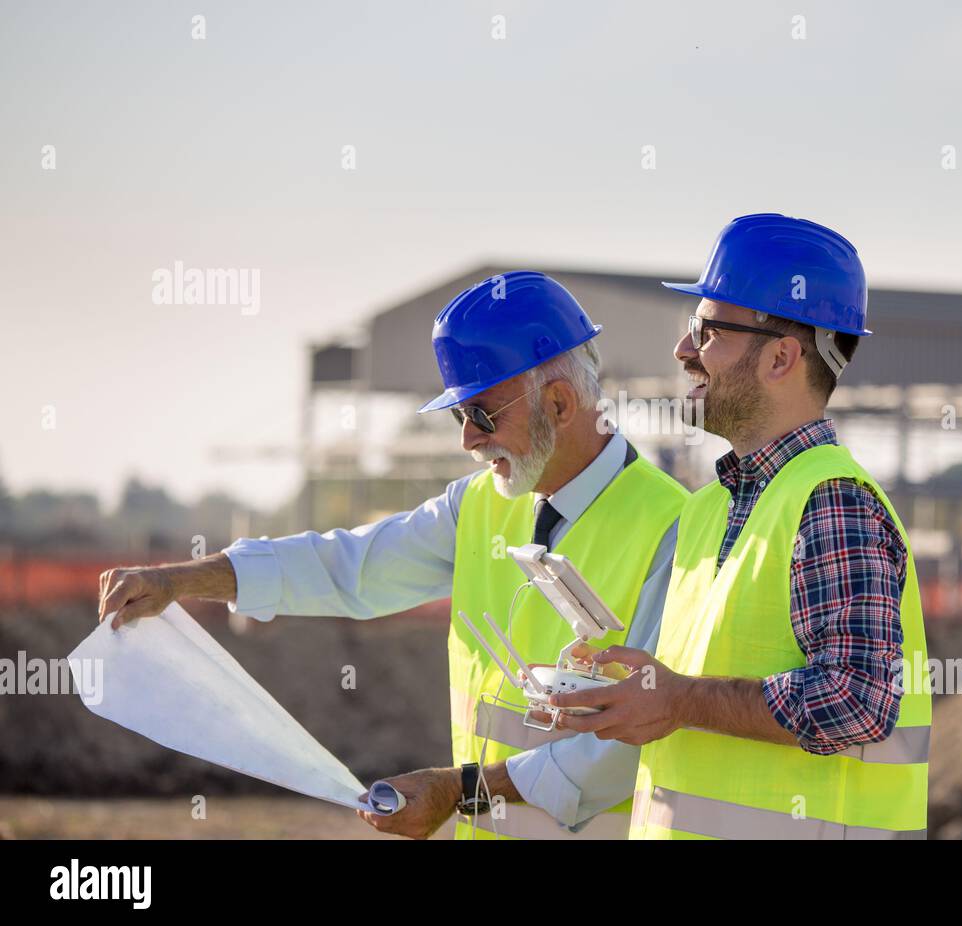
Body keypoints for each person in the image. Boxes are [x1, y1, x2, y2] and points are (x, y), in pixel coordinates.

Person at [98, 270, 687, 840]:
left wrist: (458, 791)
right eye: (460, 416)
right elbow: (353, 567)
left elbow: (617, 754)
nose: (467, 439)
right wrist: (185, 580)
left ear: (559, 404)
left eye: (482, 414)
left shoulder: (673, 529)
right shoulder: (479, 505)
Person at [550, 214, 932, 839]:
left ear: (781, 357)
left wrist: (679, 699)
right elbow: (700, 689)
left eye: (706, 331)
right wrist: (636, 693)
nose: (683, 351)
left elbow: (857, 701)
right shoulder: (708, 509)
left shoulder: (832, 500)